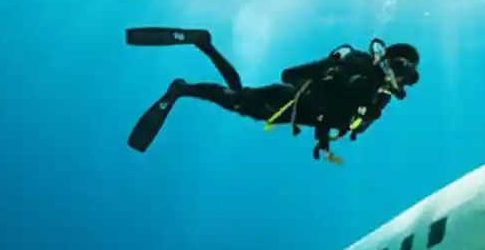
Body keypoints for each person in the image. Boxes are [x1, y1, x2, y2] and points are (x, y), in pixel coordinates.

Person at [124, 27, 420, 163]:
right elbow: (294, 76)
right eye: (402, 69)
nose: (404, 80)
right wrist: (335, 68)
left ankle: (200, 54)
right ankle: (190, 72)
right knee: (238, 99)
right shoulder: (357, 63)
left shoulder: (379, 100)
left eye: (410, 77)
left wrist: (323, 139)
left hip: (296, 115)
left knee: (238, 97)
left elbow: (339, 118)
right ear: (386, 60)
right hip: (285, 100)